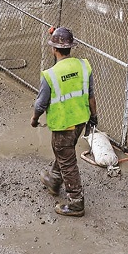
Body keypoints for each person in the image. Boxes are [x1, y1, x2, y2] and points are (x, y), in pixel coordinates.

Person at [31, 26, 98, 218]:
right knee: (65, 153)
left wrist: (34, 119)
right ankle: (53, 179)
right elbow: (91, 95)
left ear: (54, 49)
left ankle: (76, 203)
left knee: (67, 161)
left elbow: (40, 104)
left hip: (63, 125)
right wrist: (94, 116)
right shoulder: (84, 66)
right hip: (80, 122)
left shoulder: (50, 75)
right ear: (71, 47)